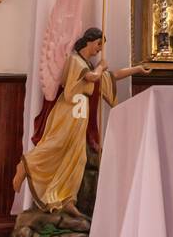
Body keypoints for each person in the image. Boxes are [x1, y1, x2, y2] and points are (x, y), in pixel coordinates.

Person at [12, 29, 146, 215]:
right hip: (68, 111)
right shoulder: (74, 60)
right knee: (55, 144)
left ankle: (67, 199)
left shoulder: (90, 66)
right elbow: (92, 77)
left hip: (80, 116)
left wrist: (136, 69)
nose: (100, 49)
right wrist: (100, 67)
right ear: (89, 41)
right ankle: (25, 165)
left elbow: (111, 76)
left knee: (78, 157)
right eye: (99, 44)